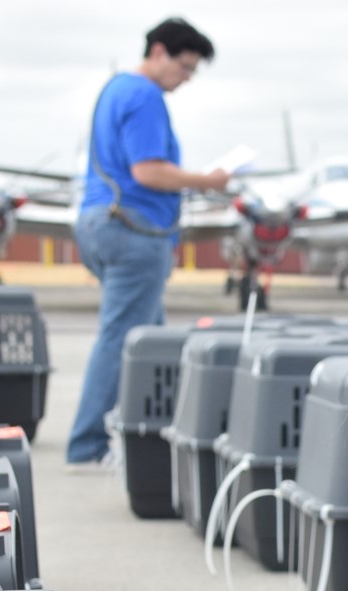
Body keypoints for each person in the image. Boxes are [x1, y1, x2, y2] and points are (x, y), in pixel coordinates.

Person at [64, 16, 231, 469]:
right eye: (185, 66)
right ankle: (88, 444)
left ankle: (152, 438)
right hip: (134, 231)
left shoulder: (115, 88)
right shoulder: (145, 95)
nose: (187, 77)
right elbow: (148, 171)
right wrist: (207, 180)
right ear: (159, 52)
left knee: (153, 342)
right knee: (124, 339)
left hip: (100, 223)